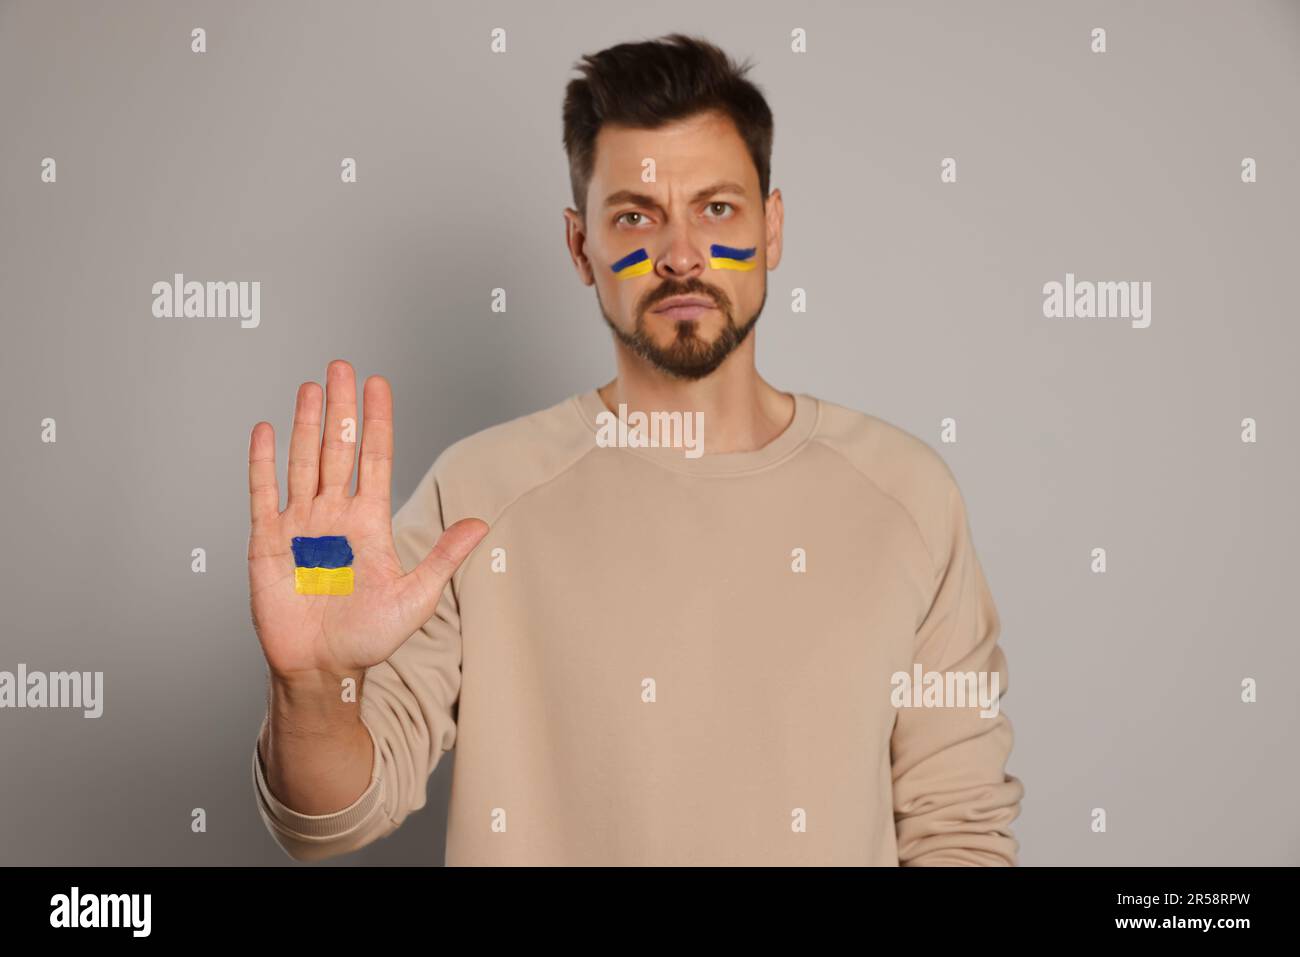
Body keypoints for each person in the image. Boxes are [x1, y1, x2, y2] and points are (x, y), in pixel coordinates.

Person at [248, 33, 1023, 866]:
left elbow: (961, 830)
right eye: (635, 217)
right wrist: (312, 687)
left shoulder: (909, 495)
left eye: (717, 209)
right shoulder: (476, 496)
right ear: (582, 248)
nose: (682, 254)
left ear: (772, 228)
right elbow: (331, 817)